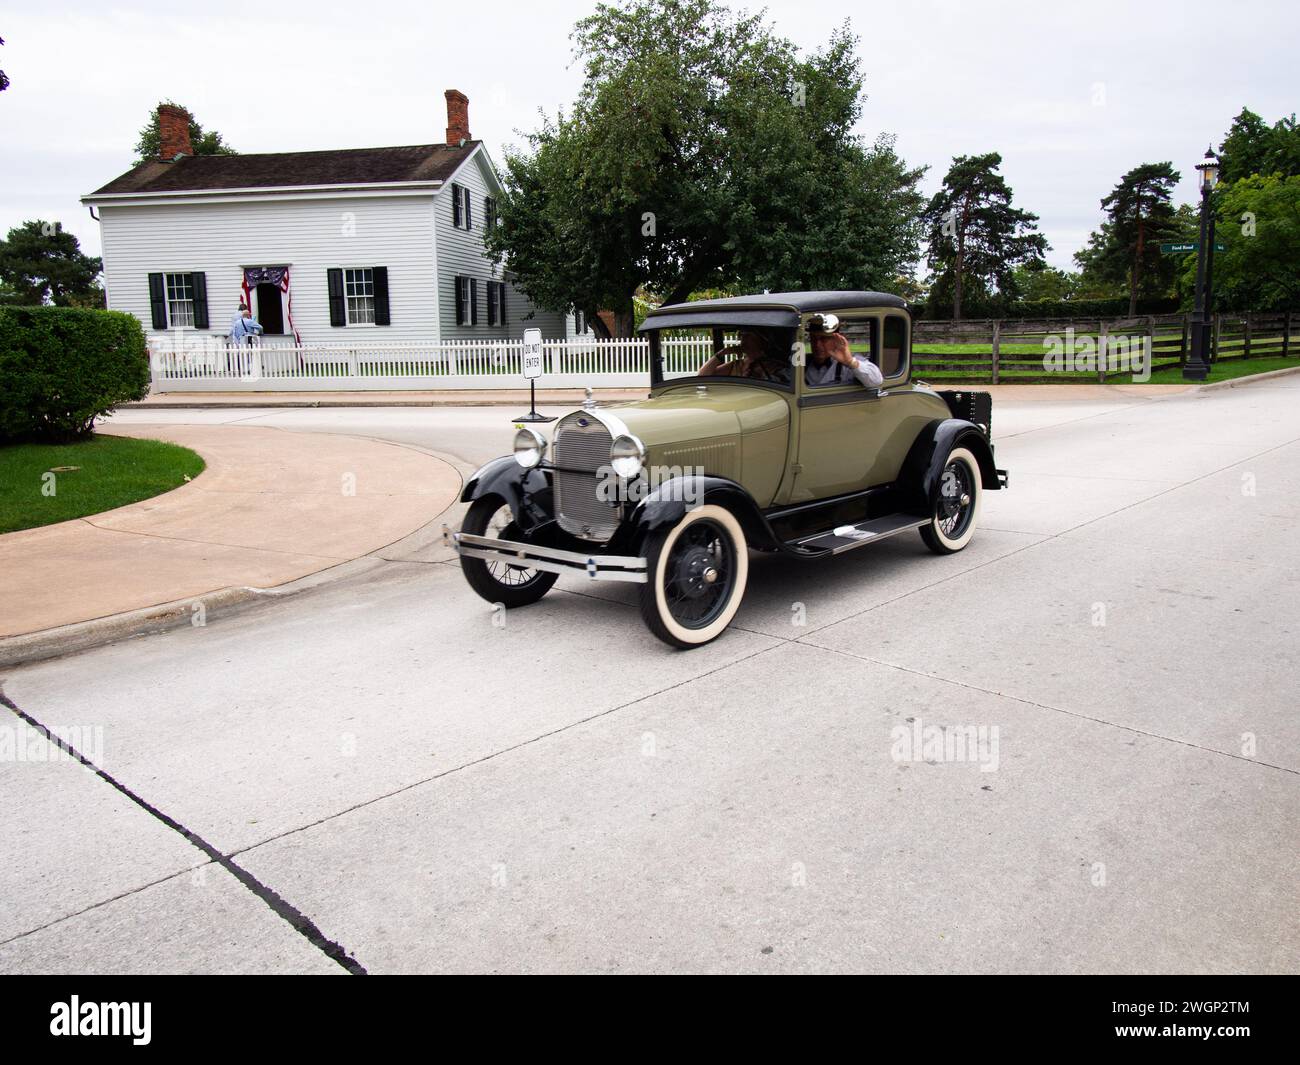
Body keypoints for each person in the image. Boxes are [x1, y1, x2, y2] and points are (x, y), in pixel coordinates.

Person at [804, 314, 883, 389]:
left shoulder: (848, 363)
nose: (817, 345)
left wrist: (850, 362)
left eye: (824, 339)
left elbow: (876, 381)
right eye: (814, 338)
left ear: (836, 339)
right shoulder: (804, 363)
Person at [699, 330, 790, 383]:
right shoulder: (737, 365)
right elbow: (702, 376)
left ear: (761, 339)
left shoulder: (775, 366)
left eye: (748, 336)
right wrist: (722, 353)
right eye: (741, 336)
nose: (743, 340)